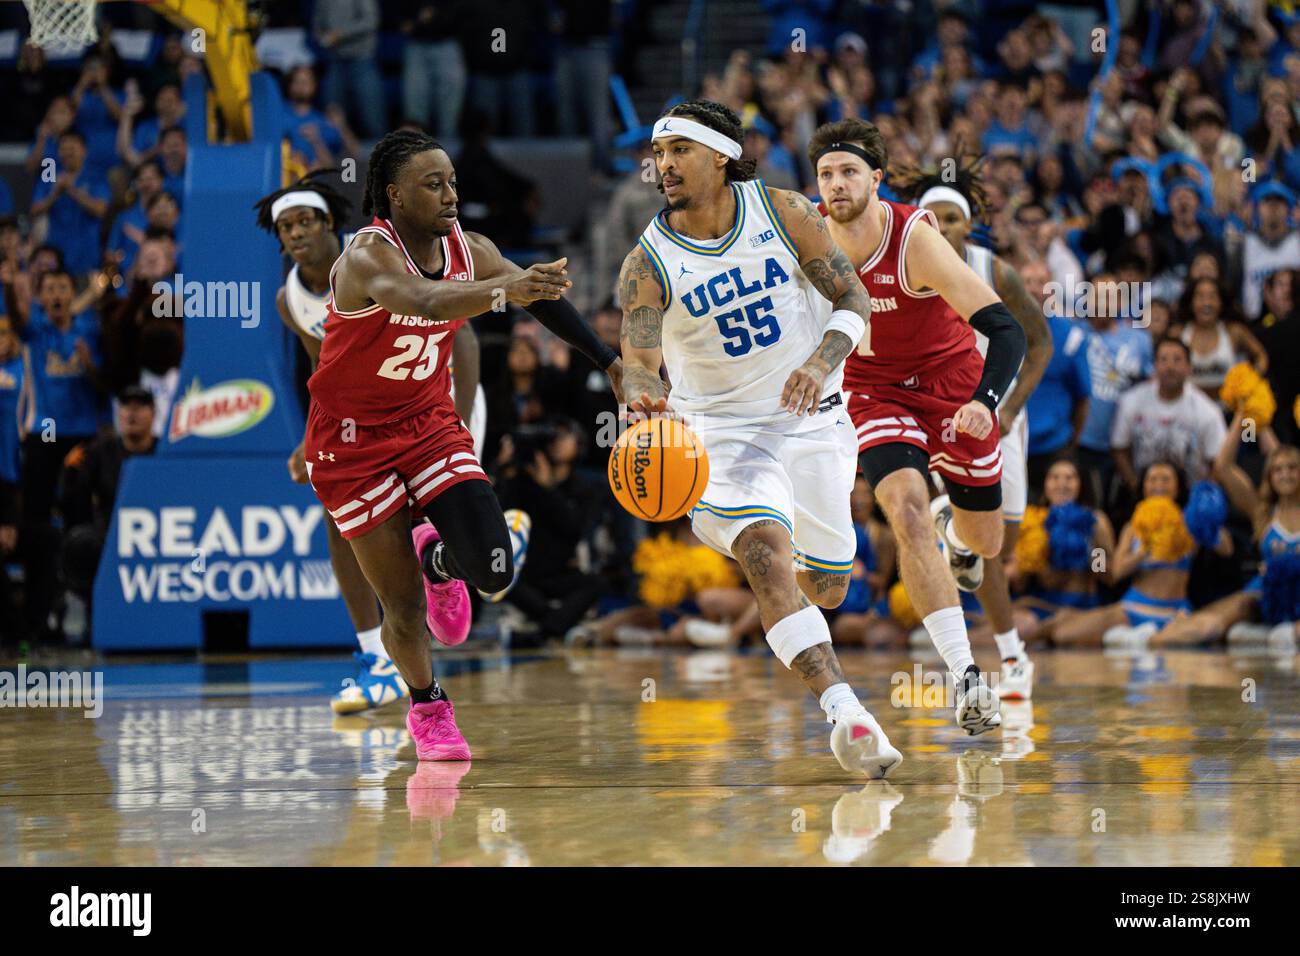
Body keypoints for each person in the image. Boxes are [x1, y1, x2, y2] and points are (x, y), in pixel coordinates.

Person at [303, 128, 622, 760]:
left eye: (452, 181)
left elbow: (541, 301)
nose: (451, 194)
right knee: (400, 607)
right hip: (351, 443)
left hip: (425, 421)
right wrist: (510, 288)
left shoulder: (471, 249)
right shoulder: (366, 258)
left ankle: (439, 562)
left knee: (495, 570)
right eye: (433, 184)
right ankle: (428, 707)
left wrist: (608, 360)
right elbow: (421, 301)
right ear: (393, 195)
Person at [620, 100, 902, 778]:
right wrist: (638, 394)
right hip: (719, 437)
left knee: (830, 587)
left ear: (720, 154)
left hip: (815, 416)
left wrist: (819, 361)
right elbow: (637, 357)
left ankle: (804, 614)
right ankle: (847, 713)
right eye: (658, 156)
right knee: (764, 554)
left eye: (678, 151)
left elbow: (854, 299)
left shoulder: (785, 212)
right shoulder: (648, 261)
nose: (664, 166)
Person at [809, 117, 1026, 731]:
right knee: (904, 510)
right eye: (825, 174)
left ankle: (957, 536)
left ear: (876, 179)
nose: (836, 183)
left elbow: (1006, 328)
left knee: (987, 544)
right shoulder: (807, 238)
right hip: (873, 391)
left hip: (953, 387)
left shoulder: (915, 240)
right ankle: (966, 677)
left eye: (849, 171)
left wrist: (986, 400)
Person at [255, 169, 488, 714]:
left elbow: (466, 333)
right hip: (367, 419)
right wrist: (308, 440)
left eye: (305, 220)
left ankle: (457, 567)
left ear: (330, 221)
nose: (295, 233)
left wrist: (464, 416)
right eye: (285, 226)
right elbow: (325, 370)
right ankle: (376, 657)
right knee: (339, 515)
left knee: (466, 540)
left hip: (440, 396)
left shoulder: (372, 259)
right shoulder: (288, 301)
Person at [896, 156, 1054, 700]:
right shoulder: (905, 269)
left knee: (999, 546)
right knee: (953, 533)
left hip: (998, 412)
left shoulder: (994, 271)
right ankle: (1012, 657)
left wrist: (1007, 408)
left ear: (969, 224)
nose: (943, 226)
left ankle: (955, 532)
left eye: (954, 217)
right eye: (932, 217)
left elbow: (1039, 343)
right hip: (934, 410)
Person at [1148, 417, 1298, 646]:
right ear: (1269, 476)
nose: (1284, 474)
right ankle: (1155, 644)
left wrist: (1265, 424)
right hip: (1266, 591)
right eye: (1277, 470)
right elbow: (1223, 466)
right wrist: (1241, 415)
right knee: (1214, 620)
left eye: (1292, 468)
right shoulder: (1262, 512)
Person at [1051, 460, 1232, 645]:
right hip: (1133, 608)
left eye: (1165, 480)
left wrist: (1208, 524)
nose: (1158, 485)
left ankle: (1147, 639)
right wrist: (1144, 549)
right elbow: (1116, 572)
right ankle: (1148, 638)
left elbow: (1227, 549)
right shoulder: (1132, 527)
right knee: (1063, 634)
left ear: (1177, 487)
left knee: (1213, 625)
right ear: (1144, 486)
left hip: (1176, 613)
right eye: (1152, 480)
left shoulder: (1189, 521)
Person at [59, 385, 158, 639]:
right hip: (109, 538)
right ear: (118, 413)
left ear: (153, 414)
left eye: (140, 407)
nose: (132, 413)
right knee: (81, 542)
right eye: (126, 407)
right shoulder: (100, 451)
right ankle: (95, 621)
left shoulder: (165, 451)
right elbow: (72, 500)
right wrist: (69, 473)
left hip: (160, 538)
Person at [1112, 336, 1229, 492]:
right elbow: (1119, 448)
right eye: (1163, 360)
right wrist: (1136, 487)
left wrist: (1202, 497)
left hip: (1190, 494)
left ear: (1189, 367)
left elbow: (1219, 462)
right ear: (1155, 366)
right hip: (1142, 491)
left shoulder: (1207, 411)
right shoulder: (1131, 401)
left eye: (1177, 360)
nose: (1170, 367)